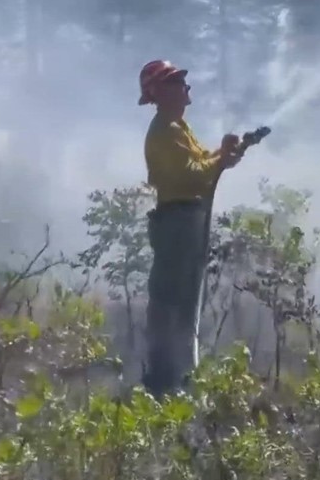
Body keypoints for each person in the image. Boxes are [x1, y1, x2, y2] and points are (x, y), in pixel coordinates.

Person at [137, 59, 241, 395]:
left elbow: (198, 163)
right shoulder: (165, 131)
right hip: (177, 223)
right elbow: (191, 175)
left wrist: (222, 154)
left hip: (186, 221)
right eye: (178, 83)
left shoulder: (178, 128)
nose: (185, 88)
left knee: (185, 299)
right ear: (161, 92)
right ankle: (167, 380)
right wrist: (219, 161)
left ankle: (182, 376)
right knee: (174, 300)